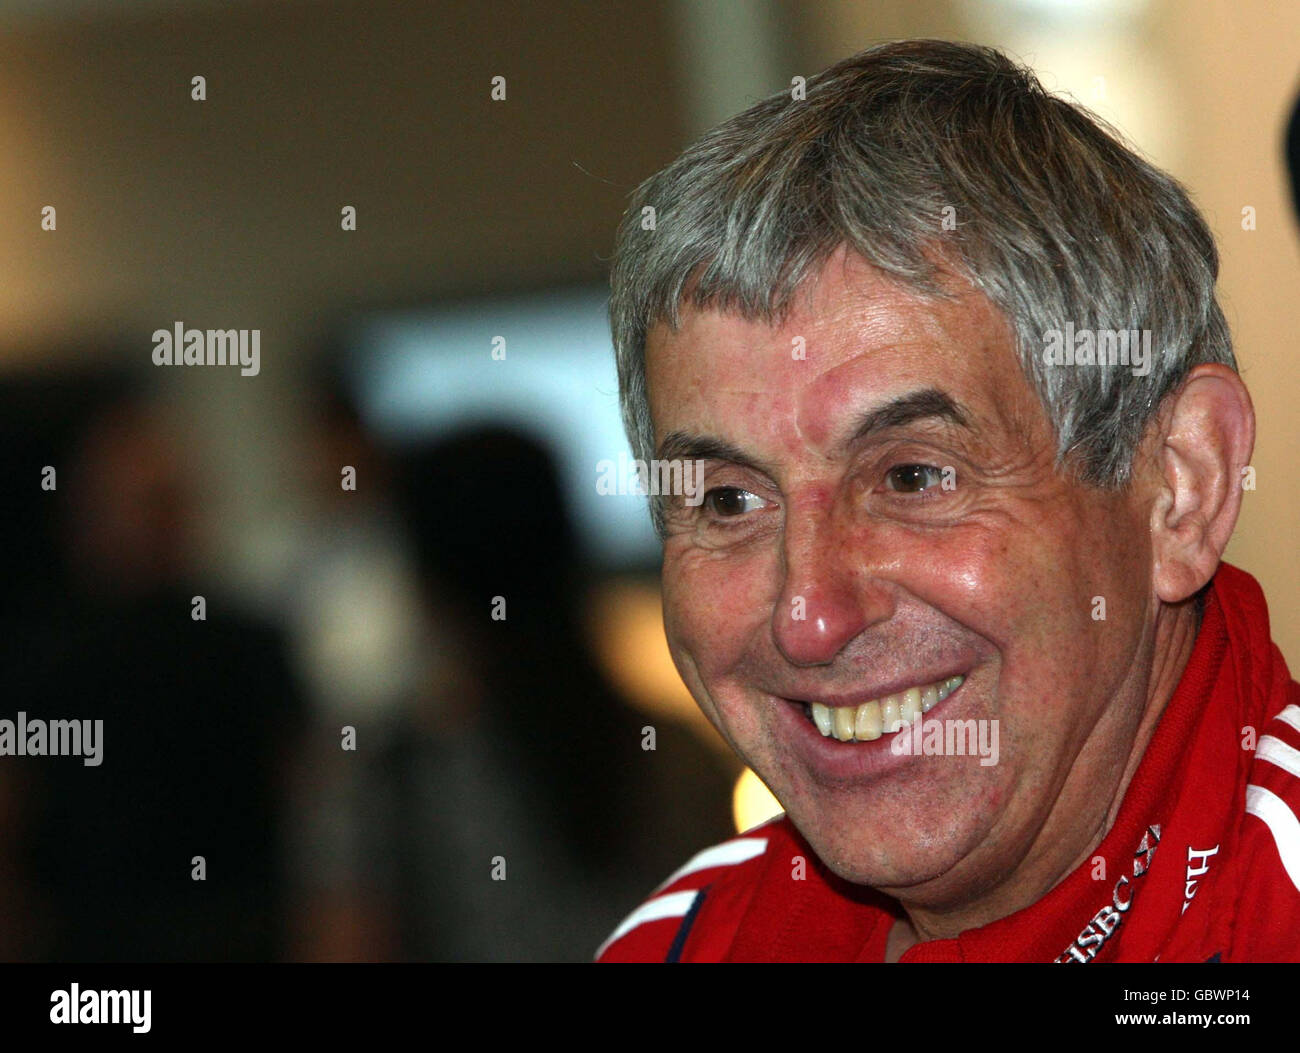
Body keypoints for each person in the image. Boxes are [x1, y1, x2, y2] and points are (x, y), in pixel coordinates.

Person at [595, 39, 1300, 963]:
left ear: (1181, 485)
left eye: (913, 477)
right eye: (729, 501)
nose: (809, 617)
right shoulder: (675, 948)